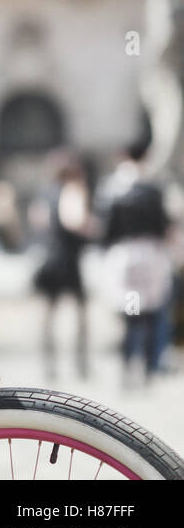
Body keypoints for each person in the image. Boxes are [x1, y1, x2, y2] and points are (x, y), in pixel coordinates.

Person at [98, 144, 177, 387]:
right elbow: (165, 224)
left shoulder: (111, 188)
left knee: (130, 313)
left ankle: (127, 364)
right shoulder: (153, 187)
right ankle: (147, 367)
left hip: (124, 255)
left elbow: (106, 228)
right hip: (150, 254)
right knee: (151, 313)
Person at [33, 152, 95, 380]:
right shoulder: (73, 190)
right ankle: (82, 365)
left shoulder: (46, 193)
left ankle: (49, 366)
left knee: (48, 316)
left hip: (50, 258)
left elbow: (37, 220)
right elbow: (74, 220)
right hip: (69, 260)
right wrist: (94, 229)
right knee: (80, 315)